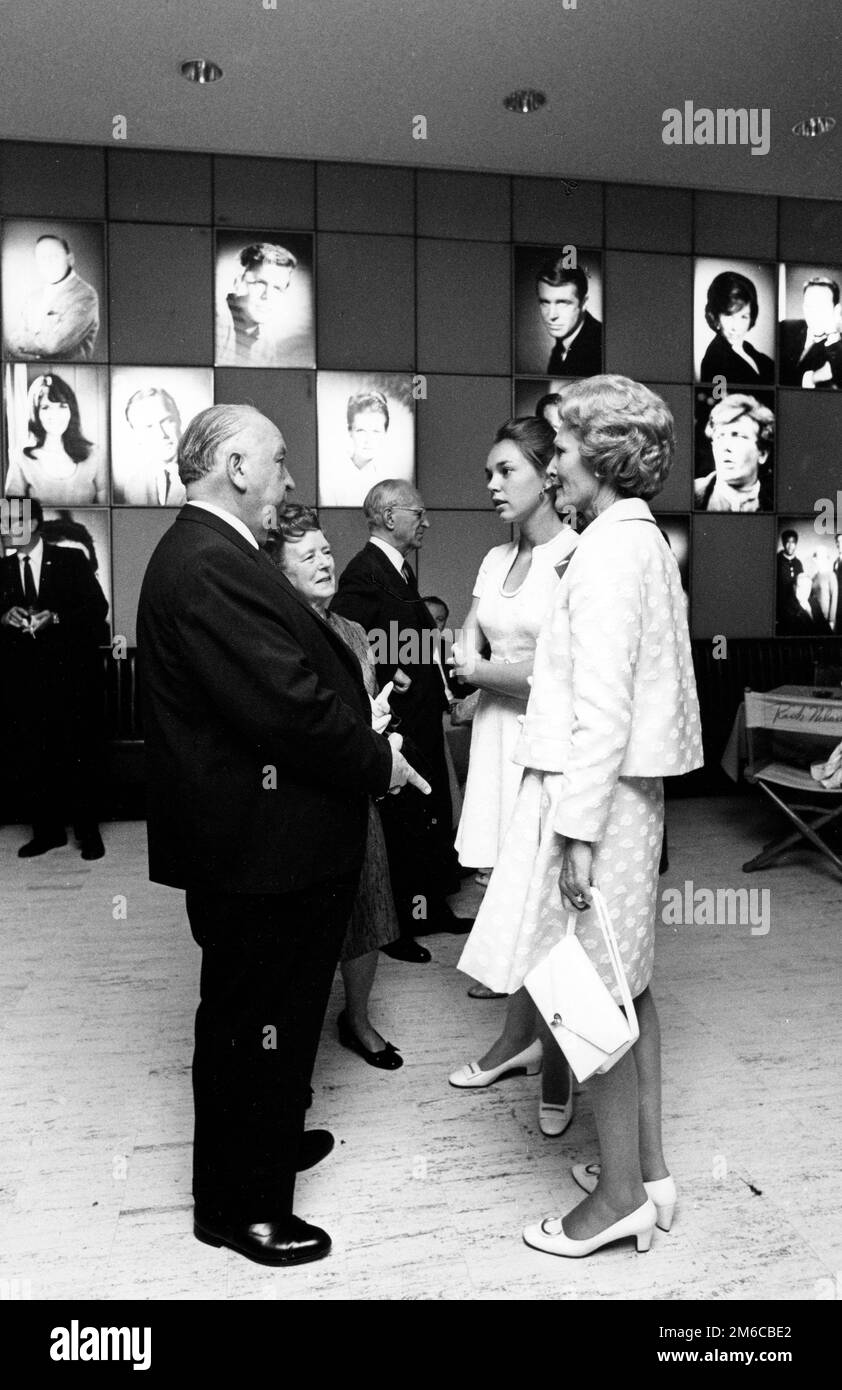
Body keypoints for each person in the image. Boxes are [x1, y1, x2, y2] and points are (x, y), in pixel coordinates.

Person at [137, 404, 428, 1269]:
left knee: (271, 1021)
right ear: (234, 465)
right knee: (250, 1024)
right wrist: (378, 762)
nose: (291, 479)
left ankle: (262, 1150)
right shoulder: (208, 562)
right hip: (258, 850)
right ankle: (240, 1207)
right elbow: (290, 707)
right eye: (279, 461)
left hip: (266, 842)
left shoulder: (211, 552)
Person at [459, 375, 703, 1257]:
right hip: (633, 801)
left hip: (599, 805)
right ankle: (652, 1171)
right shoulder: (642, 543)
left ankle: (619, 1202)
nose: (551, 463)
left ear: (600, 455)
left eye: (559, 449)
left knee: (590, 1001)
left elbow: (600, 713)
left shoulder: (604, 553)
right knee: (629, 988)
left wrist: (573, 835)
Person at [447, 416, 579, 1139]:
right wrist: (473, 664)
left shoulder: (575, 555)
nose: (492, 485)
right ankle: (523, 1041)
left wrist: (481, 672)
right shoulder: (496, 560)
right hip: (497, 738)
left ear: (545, 474)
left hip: (547, 745)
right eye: (490, 472)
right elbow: (469, 631)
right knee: (510, 898)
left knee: (550, 915)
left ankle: (549, 1060)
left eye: (506, 472)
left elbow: (562, 678)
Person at [264, 503, 404, 1070]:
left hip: (358, 795)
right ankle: (290, 1043)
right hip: (299, 804)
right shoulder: (278, 631)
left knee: (367, 912)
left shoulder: (351, 631)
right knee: (299, 932)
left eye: (326, 551)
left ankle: (358, 1020)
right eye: (308, 556)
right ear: (281, 572)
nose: (325, 562)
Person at [332, 479, 473, 963]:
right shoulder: (364, 573)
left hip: (420, 719)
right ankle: (395, 929)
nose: (427, 521)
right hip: (396, 723)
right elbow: (347, 642)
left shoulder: (397, 569)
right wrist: (390, 672)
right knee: (402, 823)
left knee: (427, 816)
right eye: (419, 512)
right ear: (391, 517)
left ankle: (429, 909)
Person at [0, 495, 108, 860]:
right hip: (24, 687)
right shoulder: (2, 570)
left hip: (71, 684)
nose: (3, 529)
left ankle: (88, 834)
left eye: (10, 521)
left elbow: (97, 610)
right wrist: (4, 618)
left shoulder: (70, 560)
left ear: (32, 525)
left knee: (78, 756)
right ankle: (47, 834)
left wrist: (56, 618)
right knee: (33, 758)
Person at [4, 373, 107, 504]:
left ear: (71, 410)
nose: (55, 415)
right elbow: (13, 521)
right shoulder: (22, 458)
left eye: (62, 406)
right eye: (46, 407)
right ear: (35, 413)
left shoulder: (95, 454)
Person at [5, 234, 100, 362]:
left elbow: (54, 344)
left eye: (54, 256)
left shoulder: (85, 295)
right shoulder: (34, 297)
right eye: (42, 257)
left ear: (70, 259)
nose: (47, 262)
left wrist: (22, 344)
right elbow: (12, 340)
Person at [216, 242, 298, 366]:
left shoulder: (267, 342)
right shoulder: (216, 318)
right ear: (238, 283)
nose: (267, 296)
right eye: (259, 283)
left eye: (277, 288)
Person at [693, 392, 774, 512]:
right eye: (720, 436)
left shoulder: (777, 503)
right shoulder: (689, 494)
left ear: (762, 453)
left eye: (737, 436)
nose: (725, 447)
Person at [698, 271, 774, 385]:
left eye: (744, 317)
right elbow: (718, 399)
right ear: (715, 317)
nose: (736, 327)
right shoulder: (714, 360)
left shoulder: (751, 351)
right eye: (729, 316)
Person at [115, 388, 187, 506]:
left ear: (179, 419)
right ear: (138, 436)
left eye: (166, 421)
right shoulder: (133, 486)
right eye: (149, 427)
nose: (161, 434)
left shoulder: (205, 478)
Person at [535, 259, 601, 377]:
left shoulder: (600, 346)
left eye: (562, 303)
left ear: (584, 303)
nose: (552, 315)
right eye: (545, 302)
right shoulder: (560, 348)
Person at [779, 277, 842, 389]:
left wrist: (833, 335)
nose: (814, 315)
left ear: (836, 310)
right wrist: (813, 377)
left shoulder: (837, 347)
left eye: (821, 307)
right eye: (809, 307)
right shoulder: (784, 328)